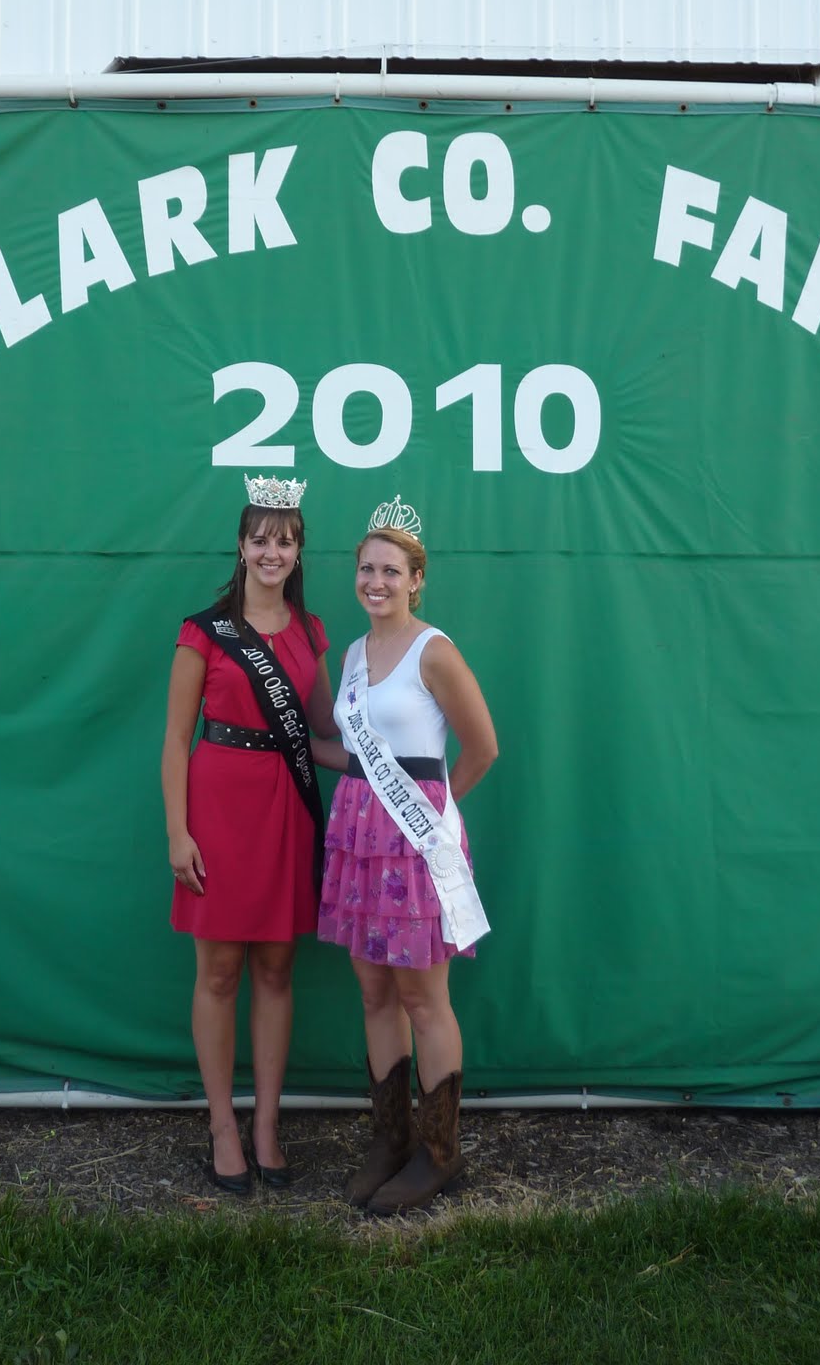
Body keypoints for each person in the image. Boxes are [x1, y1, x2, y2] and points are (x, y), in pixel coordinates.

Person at [314, 499, 498, 1213]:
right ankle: (389, 1139)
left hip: (416, 839)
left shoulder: (435, 651)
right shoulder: (355, 657)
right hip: (361, 834)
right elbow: (354, 754)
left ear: (416, 580)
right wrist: (294, 748)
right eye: (366, 568)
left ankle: (439, 1152)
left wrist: (435, 813)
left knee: (424, 996)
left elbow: (481, 748)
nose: (376, 581)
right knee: (373, 991)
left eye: (391, 570)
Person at [162, 475, 336, 1196]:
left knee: (274, 971)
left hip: (285, 809)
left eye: (286, 540)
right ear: (241, 545)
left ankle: (266, 1124)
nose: (273, 551)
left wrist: (395, 771)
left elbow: (322, 736)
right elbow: (175, 741)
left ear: (298, 552)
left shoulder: (311, 632)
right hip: (217, 810)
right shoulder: (204, 631)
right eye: (261, 538)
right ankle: (221, 1126)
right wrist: (178, 832)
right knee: (220, 973)